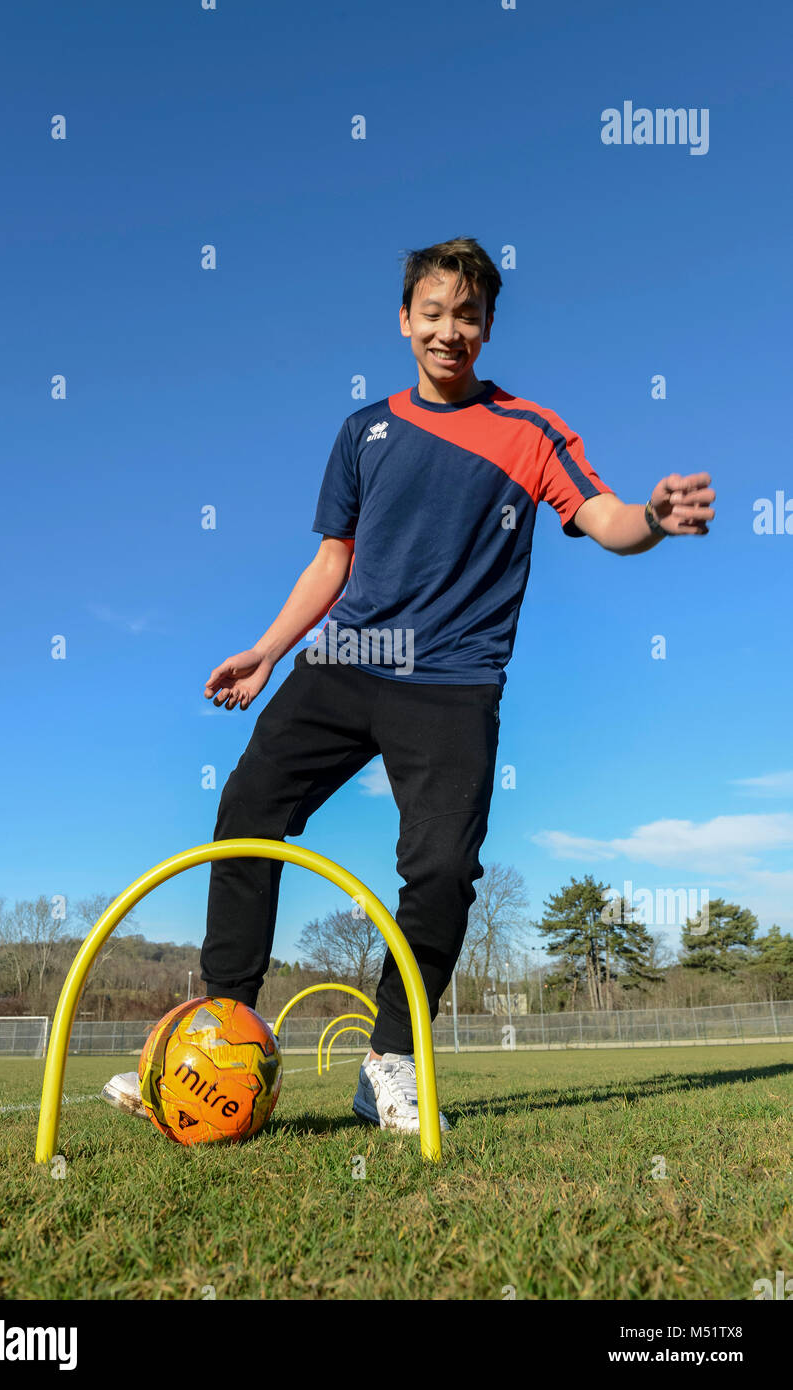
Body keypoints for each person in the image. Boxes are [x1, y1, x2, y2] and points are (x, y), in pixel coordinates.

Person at [102, 236, 715, 1133]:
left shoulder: (530, 431)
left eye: (467, 316)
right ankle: (212, 1027)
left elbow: (605, 515)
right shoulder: (363, 431)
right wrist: (270, 649)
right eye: (432, 312)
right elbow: (331, 560)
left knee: (441, 870)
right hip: (347, 661)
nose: (448, 330)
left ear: (488, 328)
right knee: (245, 809)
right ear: (404, 320)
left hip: (454, 683)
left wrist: (654, 521)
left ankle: (389, 1060)